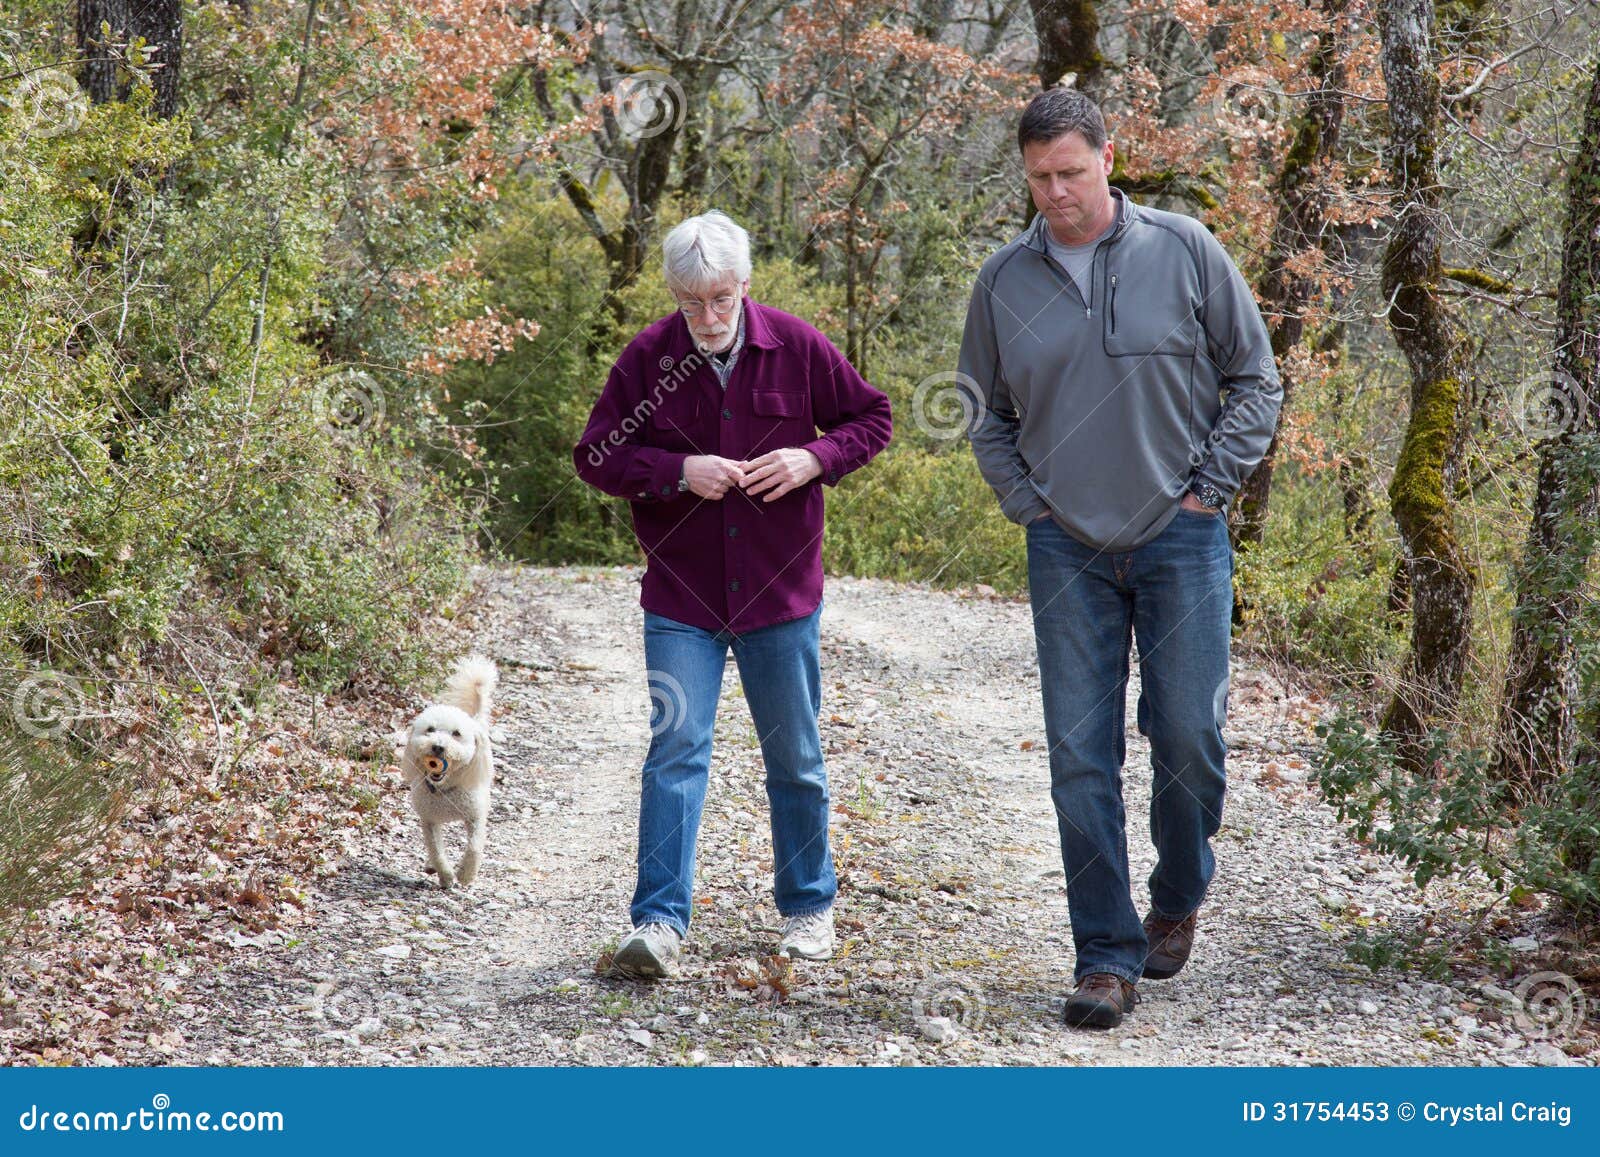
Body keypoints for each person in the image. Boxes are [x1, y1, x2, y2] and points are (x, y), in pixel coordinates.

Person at [958, 88, 1281, 1028]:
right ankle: (1104, 954)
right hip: (1066, 548)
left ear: (1109, 157)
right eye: (1038, 177)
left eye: (1070, 171)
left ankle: (1178, 889)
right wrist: (1029, 504)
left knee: (1188, 736)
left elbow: (1256, 378)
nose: (1055, 193)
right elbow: (982, 413)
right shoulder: (1003, 280)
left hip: (1182, 538)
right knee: (1078, 755)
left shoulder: (1183, 249)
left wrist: (1206, 488)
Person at [574, 210, 893, 978]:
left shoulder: (797, 344)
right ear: (674, 295)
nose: (709, 319)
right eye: (692, 303)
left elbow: (873, 417)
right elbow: (596, 454)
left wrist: (814, 458)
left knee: (796, 755)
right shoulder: (647, 358)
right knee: (675, 749)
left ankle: (809, 907)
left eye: (722, 299)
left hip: (781, 596)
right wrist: (677, 472)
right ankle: (657, 923)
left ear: (745, 285)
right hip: (680, 599)